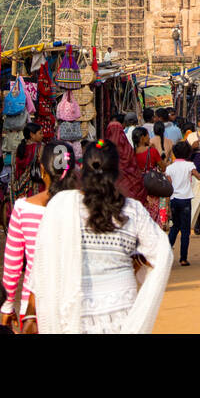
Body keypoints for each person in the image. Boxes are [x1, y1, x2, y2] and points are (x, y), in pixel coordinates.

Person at [31, 139, 172, 332]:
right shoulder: (133, 210)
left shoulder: (62, 204)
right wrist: (137, 265)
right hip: (122, 311)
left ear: (83, 168)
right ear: (116, 170)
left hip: (75, 310)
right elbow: (162, 253)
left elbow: (43, 257)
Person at [1, 142, 76, 332]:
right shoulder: (84, 207)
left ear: (42, 169)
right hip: (77, 302)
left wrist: (8, 306)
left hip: (35, 307)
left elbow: (13, 266)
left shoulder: (23, 208)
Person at [165, 141, 200, 267]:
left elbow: (168, 188)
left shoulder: (169, 168)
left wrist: (167, 206)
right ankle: (183, 258)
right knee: (185, 231)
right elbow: (198, 177)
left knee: (174, 227)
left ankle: (165, 256)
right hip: (185, 201)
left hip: (174, 200)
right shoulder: (189, 165)